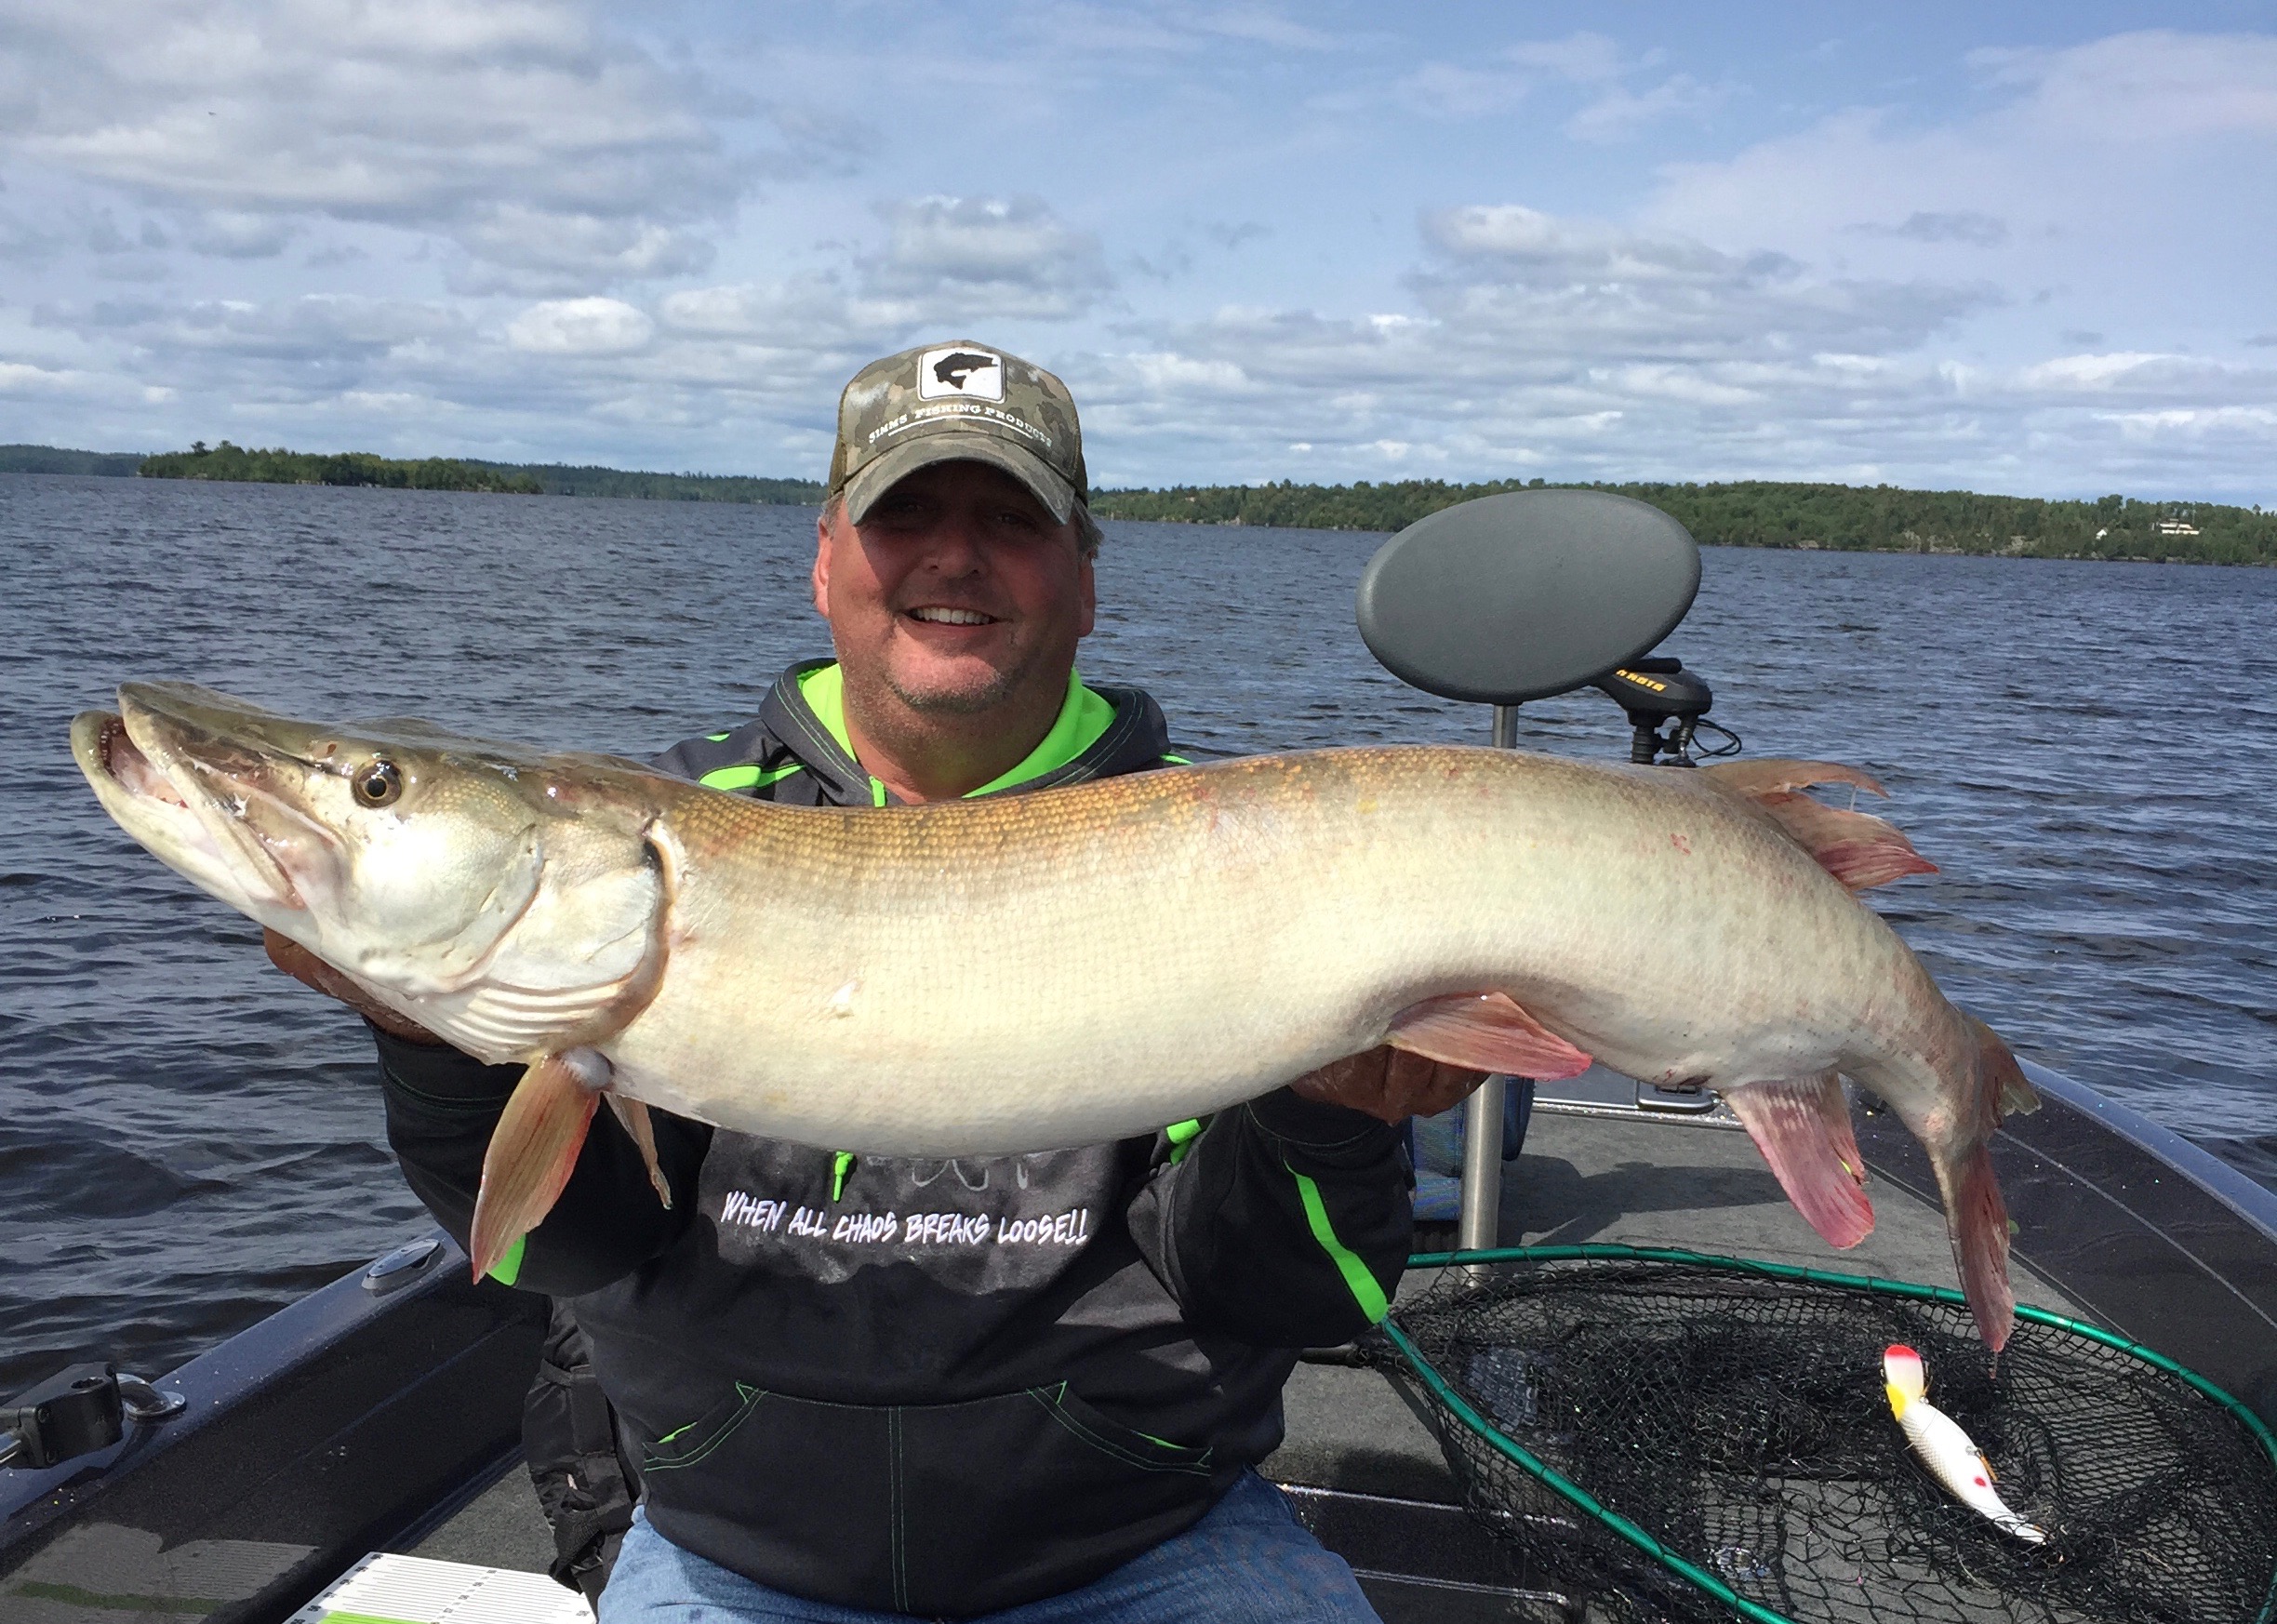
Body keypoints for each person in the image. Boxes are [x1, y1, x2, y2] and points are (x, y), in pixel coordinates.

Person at [269, 340, 1486, 1621]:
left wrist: (1329, 1115)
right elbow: (577, 1243)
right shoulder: (661, 840)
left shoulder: (1223, 851)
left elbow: (1284, 1295)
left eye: (1011, 520)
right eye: (904, 512)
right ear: (825, 561)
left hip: (1143, 1541)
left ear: (1084, 580)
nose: (953, 556)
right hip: (737, 1557)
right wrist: (440, 1053)